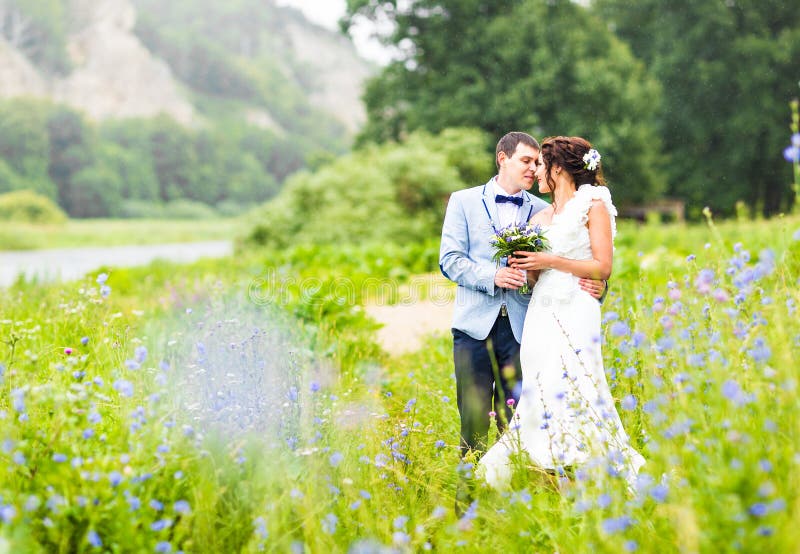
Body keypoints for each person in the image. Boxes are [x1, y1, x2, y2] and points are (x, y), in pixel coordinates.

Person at [478, 136, 645, 489]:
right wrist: (525, 264)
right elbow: (537, 275)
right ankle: (548, 467)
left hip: (576, 307)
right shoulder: (543, 215)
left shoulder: (594, 203)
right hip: (542, 309)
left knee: (577, 379)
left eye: (540, 165)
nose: (535, 172)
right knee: (540, 384)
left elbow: (603, 266)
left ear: (557, 168)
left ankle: (586, 463)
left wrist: (550, 260)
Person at [439, 132, 606, 460]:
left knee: (517, 422)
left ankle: (513, 502)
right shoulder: (464, 201)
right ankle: (467, 503)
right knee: (472, 423)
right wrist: (493, 275)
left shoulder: (548, 210)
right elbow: (450, 260)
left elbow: (579, 256)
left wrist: (598, 286)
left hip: (525, 328)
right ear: (503, 158)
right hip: (474, 328)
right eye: (526, 161)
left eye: (537, 163)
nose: (534, 169)